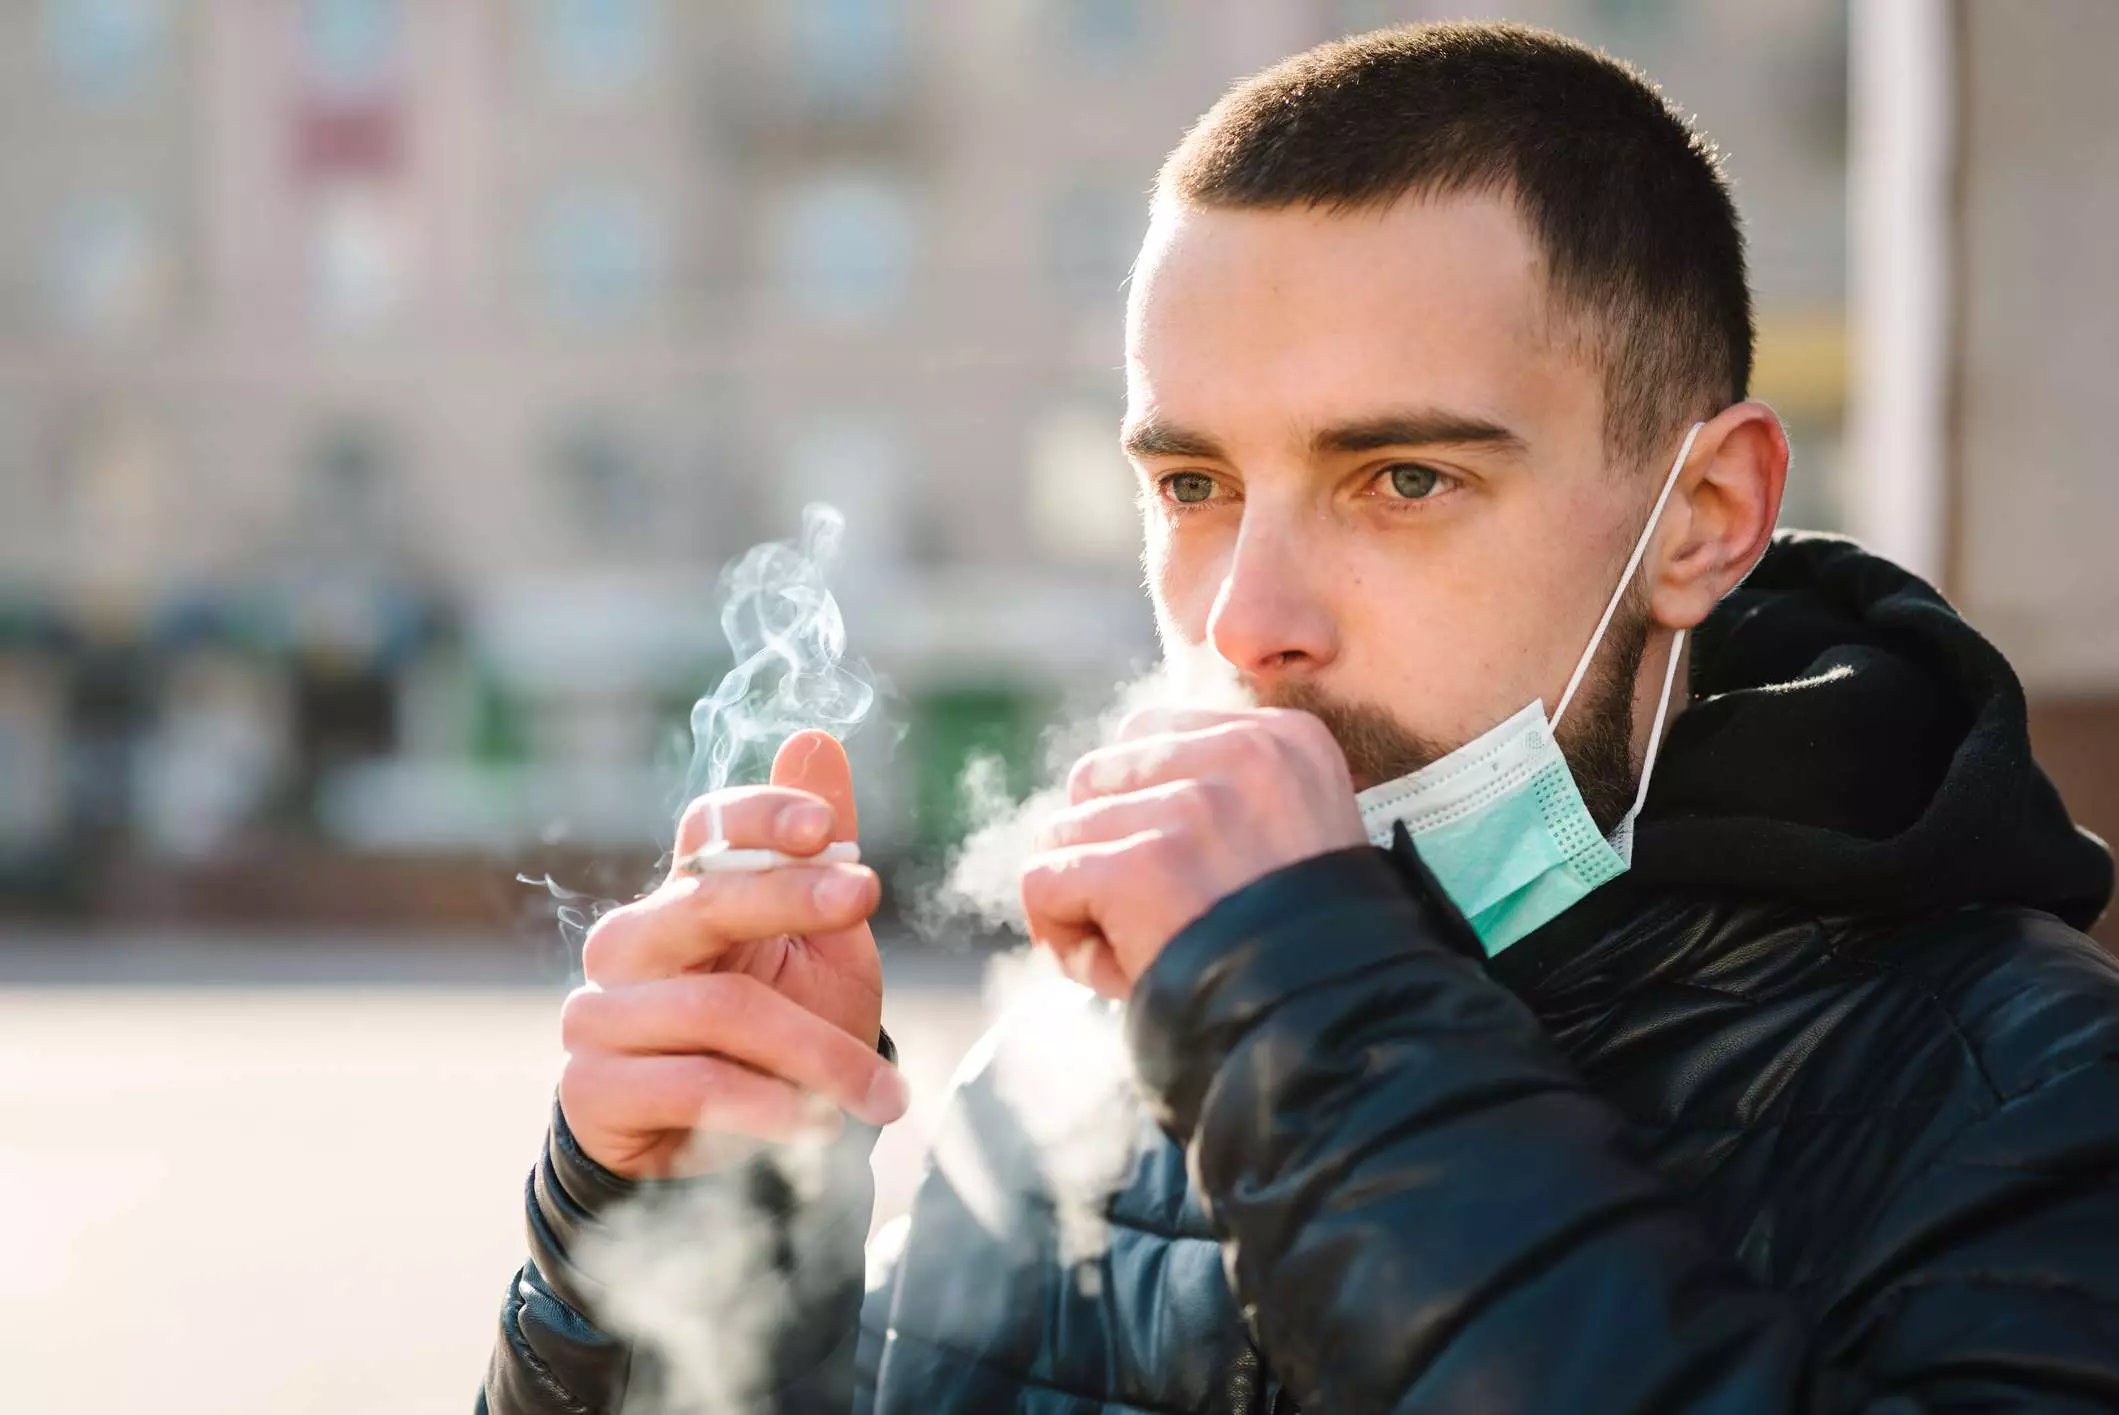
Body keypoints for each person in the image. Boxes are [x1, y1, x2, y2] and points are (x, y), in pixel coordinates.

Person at [480, 22, 2119, 1415]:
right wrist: (673, 1265)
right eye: (1191, 484)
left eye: (1400, 477)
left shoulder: (2030, 1095)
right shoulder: (1070, 1060)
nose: (1246, 622)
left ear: (1703, 515)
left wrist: (1315, 1030)